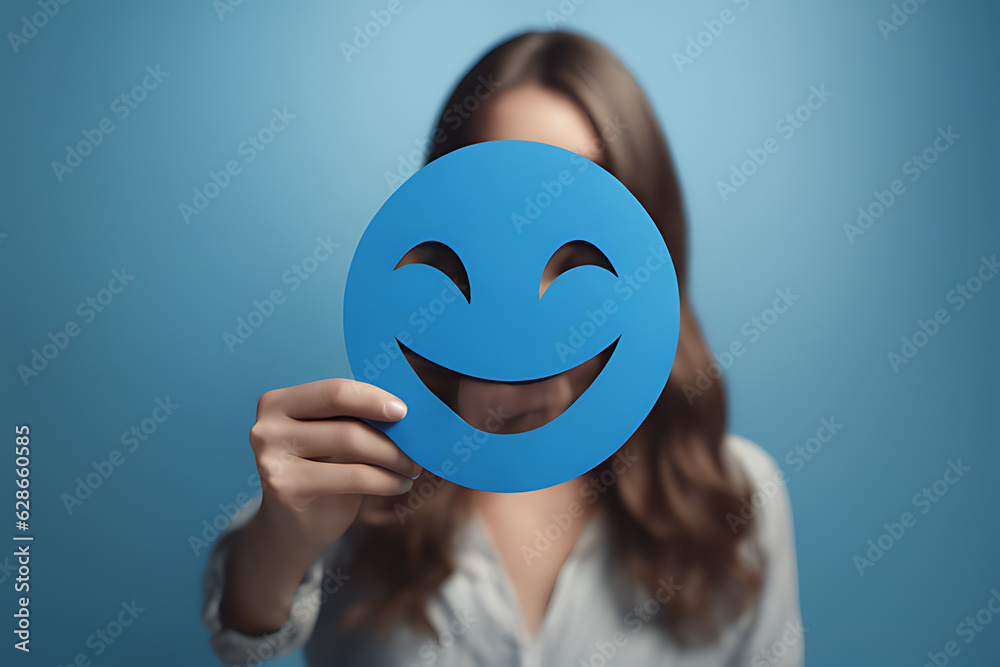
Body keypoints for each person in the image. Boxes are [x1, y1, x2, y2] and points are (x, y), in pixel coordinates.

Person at [202, 30, 804, 666]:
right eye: (501, 216)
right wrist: (280, 538)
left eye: (578, 233)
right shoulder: (361, 473)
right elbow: (244, 634)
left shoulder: (739, 497)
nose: (533, 294)